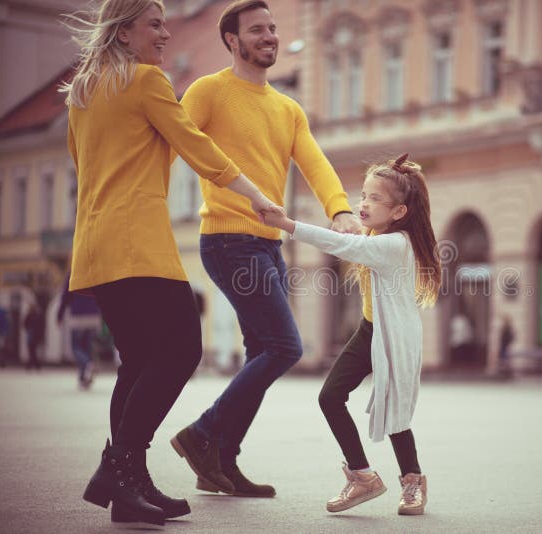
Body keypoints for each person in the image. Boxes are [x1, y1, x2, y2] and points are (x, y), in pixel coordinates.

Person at [60, 0, 281, 526]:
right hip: (139, 243)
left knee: (137, 362)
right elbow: (198, 148)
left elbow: (80, 163)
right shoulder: (145, 82)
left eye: (165, 22)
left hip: (95, 244)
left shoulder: (83, 94)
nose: (165, 34)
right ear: (124, 31)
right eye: (154, 24)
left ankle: (129, 488)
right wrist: (257, 196)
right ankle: (117, 470)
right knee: (183, 349)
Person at [170, 0, 361, 499]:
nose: (270, 36)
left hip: (268, 243)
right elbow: (172, 140)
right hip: (228, 239)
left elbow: (314, 162)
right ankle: (202, 433)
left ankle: (220, 461)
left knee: (263, 349)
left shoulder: (287, 108)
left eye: (273, 28)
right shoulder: (209, 91)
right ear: (232, 40)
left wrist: (339, 208)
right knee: (284, 347)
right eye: (258, 30)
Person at [264, 153, 440, 515]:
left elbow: (348, 246)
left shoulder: (395, 244)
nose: (364, 203)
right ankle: (362, 476)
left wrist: (289, 224)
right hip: (369, 331)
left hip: (397, 338)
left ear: (399, 213)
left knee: (396, 414)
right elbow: (354, 239)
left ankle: (413, 482)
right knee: (330, 397)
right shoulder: (377, 234)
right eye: (364, 195)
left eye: (376, 198)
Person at [57, 274, 99, 388]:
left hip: (78, 316)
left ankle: (87, 364)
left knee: (75, 347)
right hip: (93, 316)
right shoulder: (93, 270)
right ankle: (83, 379)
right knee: (86, 348)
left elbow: (65, 296)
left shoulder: (74, 272)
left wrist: (59, 315)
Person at [23, 302, 45, 370]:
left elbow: (24, 324)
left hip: (32, 335)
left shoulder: (32, 315)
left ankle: (31, 365)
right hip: (33, 335)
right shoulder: (36, 316)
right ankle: (35, 365)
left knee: (31, 350)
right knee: (32, 350)